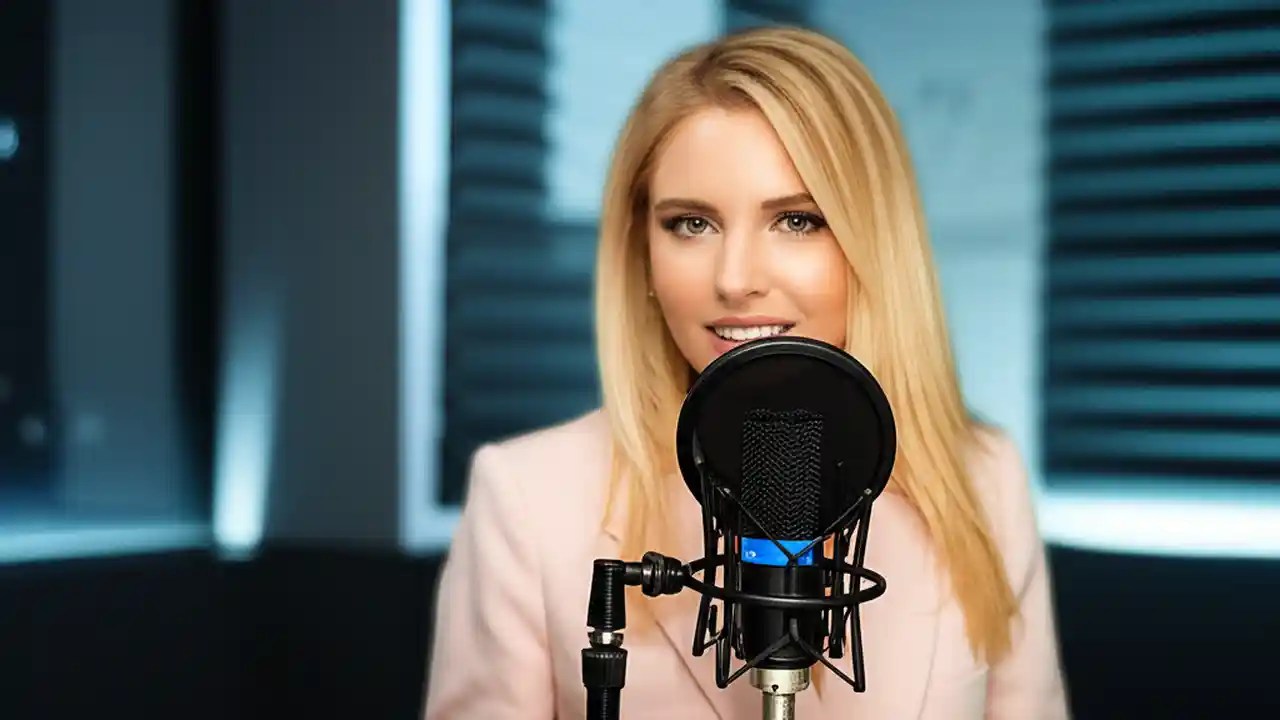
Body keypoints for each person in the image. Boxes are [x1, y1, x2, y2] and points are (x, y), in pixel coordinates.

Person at [423, 25, 1069, 719]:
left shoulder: (985, 479)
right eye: (691, 224)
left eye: (796, 221)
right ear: (642, 252)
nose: (735, 280)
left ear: (874, 242)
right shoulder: (527, 500)